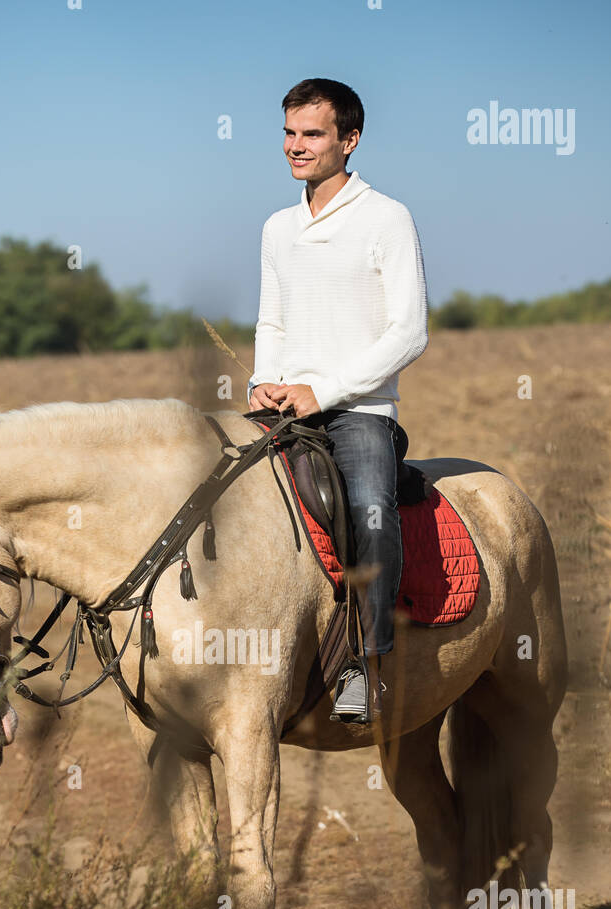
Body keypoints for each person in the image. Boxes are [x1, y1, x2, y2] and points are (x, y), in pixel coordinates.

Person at [248, 77, 428, 720]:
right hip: (281, 409)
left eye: (313, 134)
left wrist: (319, 390)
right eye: (290, 134)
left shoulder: (387, 218)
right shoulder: (277, 227)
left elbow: (410, 332)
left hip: (358, 413)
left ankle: (368, 666)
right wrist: (262, 382)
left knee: (370, 508)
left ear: (349, 141)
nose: (296, 147)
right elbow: (272, 322)